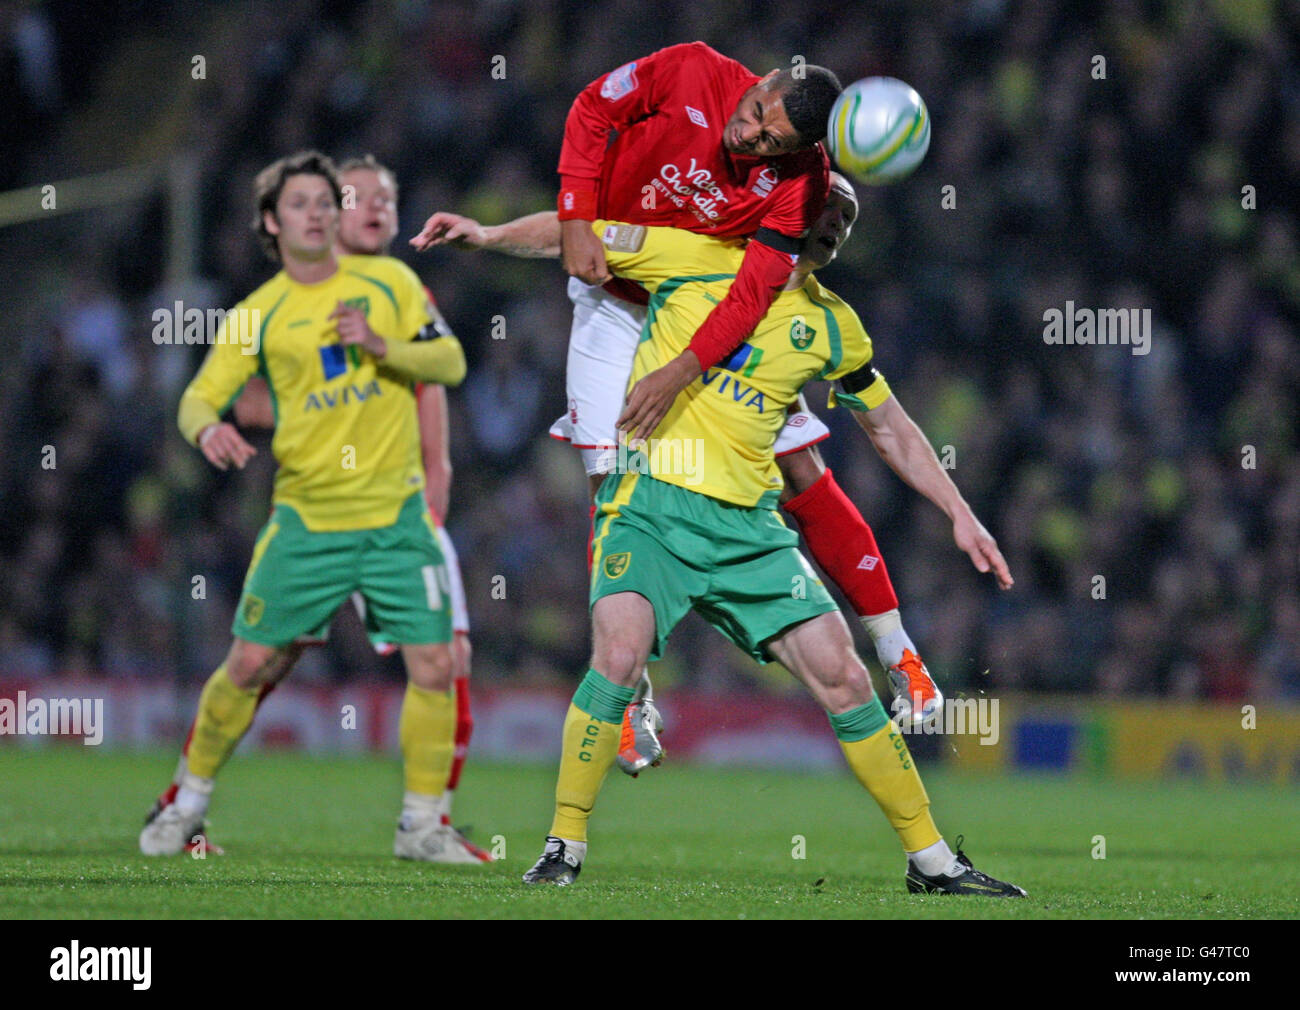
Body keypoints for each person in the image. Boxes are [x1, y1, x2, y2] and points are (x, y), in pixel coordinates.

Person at [414, 43, 952, 760]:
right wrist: (556, 219)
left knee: (803, 471)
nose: (752, 135)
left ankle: (900, 654)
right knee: (612, 484)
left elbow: (756, 290)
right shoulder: (691, 71)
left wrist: (679, 372)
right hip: (617, 296)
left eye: (772, 141)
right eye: (758, 115)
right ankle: (631, 692)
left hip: (709, 308)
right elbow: (592, 108)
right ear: (761, 82)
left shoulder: (801, 179)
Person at [518, 175, 1025, 896]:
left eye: (849, 220)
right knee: (619, 656)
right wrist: (485, 236)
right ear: (789, 206)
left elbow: (890, 428)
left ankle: (933, 863)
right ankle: (562, 847)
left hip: (751, 533)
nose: (838, 226)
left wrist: (959, 512)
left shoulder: (833, 325)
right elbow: (577, 237)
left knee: (847, 678)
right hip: (651, 507)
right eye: (829, 209)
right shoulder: (694, 254)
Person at [140, 151, 484, 865]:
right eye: (300, 203)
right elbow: (199, 395)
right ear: (272, 221)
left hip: (395, 518)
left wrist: (383, 347)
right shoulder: (257, 313)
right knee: (248, 665)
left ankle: (423, 826)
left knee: (436, 663)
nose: (319, 212)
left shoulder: (390, 281)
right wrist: (209, 427)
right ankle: (186, 803)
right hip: (308, 520)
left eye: (327, 201)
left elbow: (449, 362)